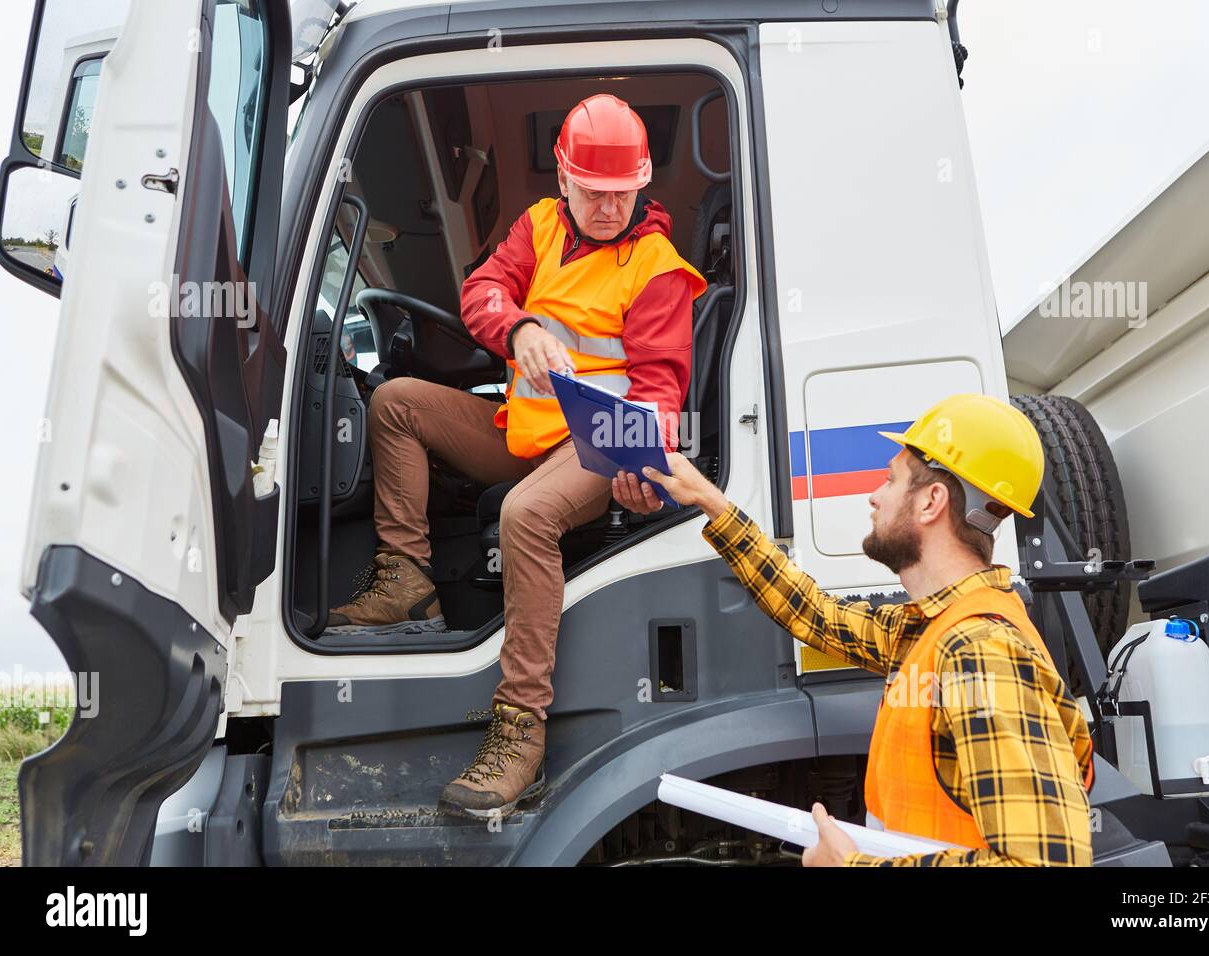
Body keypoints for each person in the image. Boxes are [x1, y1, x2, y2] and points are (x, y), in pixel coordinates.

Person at [328, 93, 707, 818]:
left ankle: (519, 734)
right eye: (592, 193)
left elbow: (661, 391)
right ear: (563, 179)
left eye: (621, 194)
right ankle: (408, 581)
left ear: (643, 182)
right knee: (395, 402)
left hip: (599, 446)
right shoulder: (538, 228)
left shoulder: (657, 268)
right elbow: (481, 293)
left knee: (527, 516)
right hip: (524, 429)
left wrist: (644, 472)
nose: (606, 207)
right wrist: (520, 327)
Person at [613, 394, 1096, 865]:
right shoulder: (930, 630)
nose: (874, 495)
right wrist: (711, 503)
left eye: (890, 480)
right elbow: (815, 614)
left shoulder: (981, 651)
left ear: (931, 501)